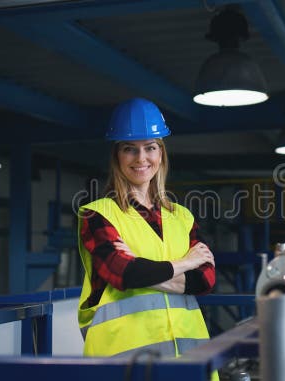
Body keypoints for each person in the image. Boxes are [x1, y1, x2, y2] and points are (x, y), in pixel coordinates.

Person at [76, 98, 217, 361]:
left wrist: (143, 272)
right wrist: (185, 263)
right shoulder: (99, 214)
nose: (141, 158)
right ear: (117, 156)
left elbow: (205, 280)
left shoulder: (182, 217)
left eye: (150, 148)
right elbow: (124, 273)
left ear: (160, 153)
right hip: (125, 362)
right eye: (130, 149)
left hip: (187, 359)